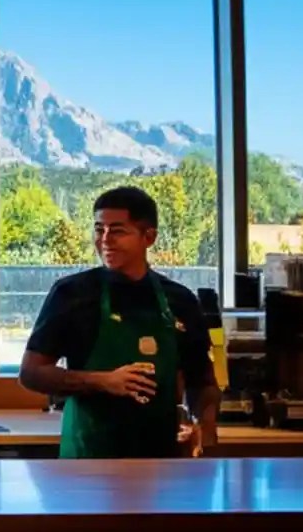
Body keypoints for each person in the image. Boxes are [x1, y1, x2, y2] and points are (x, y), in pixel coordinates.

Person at [18, 186, 220, 459]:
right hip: (87, 460)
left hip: (160, 463)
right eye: (99, 229)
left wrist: (202, 425)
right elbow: (31, 373)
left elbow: (202, 381)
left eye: (118, 231)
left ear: (149, 237)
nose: (105, 240)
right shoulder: (72, 294)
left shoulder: (180, 300)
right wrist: (102, 381)